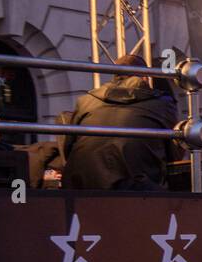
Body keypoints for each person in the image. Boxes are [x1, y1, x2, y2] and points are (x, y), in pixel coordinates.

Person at [62, 54, 182, 191]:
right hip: (138, 189)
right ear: (145, 77)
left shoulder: (85, 101)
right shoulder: (162, 104)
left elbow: (68, 148)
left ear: (115, 76)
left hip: (82, 186)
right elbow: (174, 155)